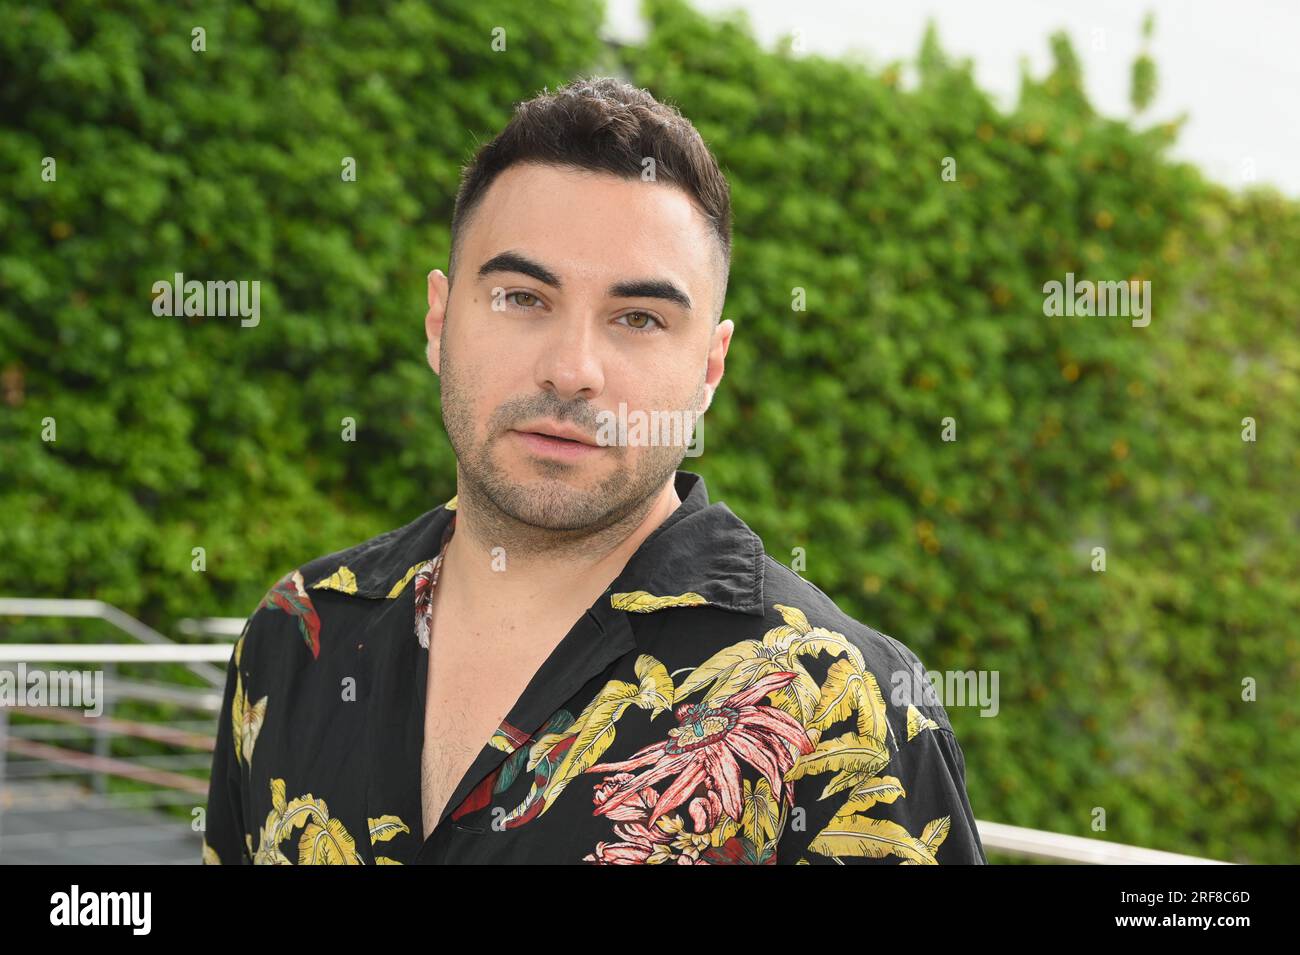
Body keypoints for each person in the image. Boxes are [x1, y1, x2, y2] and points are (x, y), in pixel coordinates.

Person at [202, 76, 986, 865]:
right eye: (523, 297)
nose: (573, 369)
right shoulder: (297, 636)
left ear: (710, 368)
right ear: (439, 322)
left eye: (639, 318)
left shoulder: (839, 706)